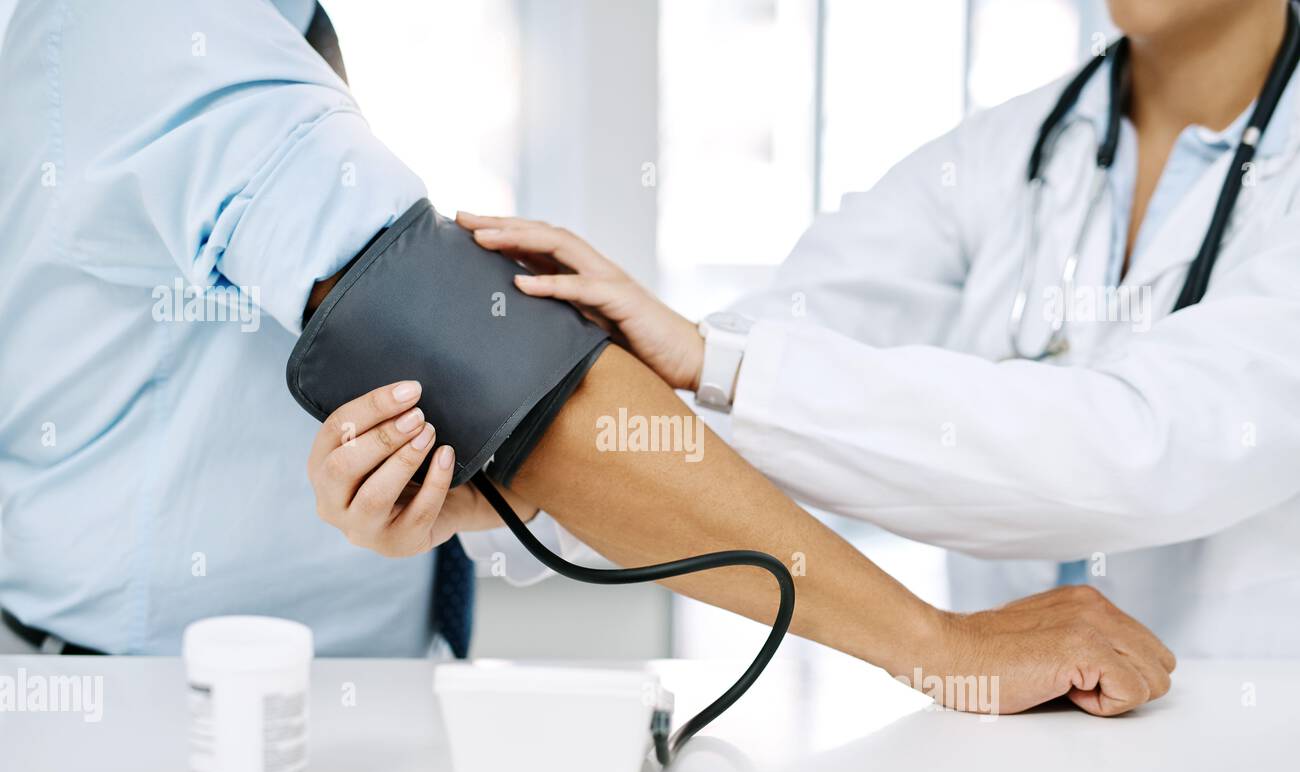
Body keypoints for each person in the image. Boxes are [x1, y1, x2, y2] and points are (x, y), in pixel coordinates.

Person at [0, 0, 1172, 716]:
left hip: (339, 695)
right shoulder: (156, 24)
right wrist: (937, 648)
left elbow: (495, 389)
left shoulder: (262, 26)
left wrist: (474, 492)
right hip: (159, 719)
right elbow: (496, 367)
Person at [459, 0, 1300, 659]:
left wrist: (721, 364)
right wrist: (516, 488)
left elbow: (1140, 446)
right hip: (1011, 733)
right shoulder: (1013, 150)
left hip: (1232, 752)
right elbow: (777, 344)